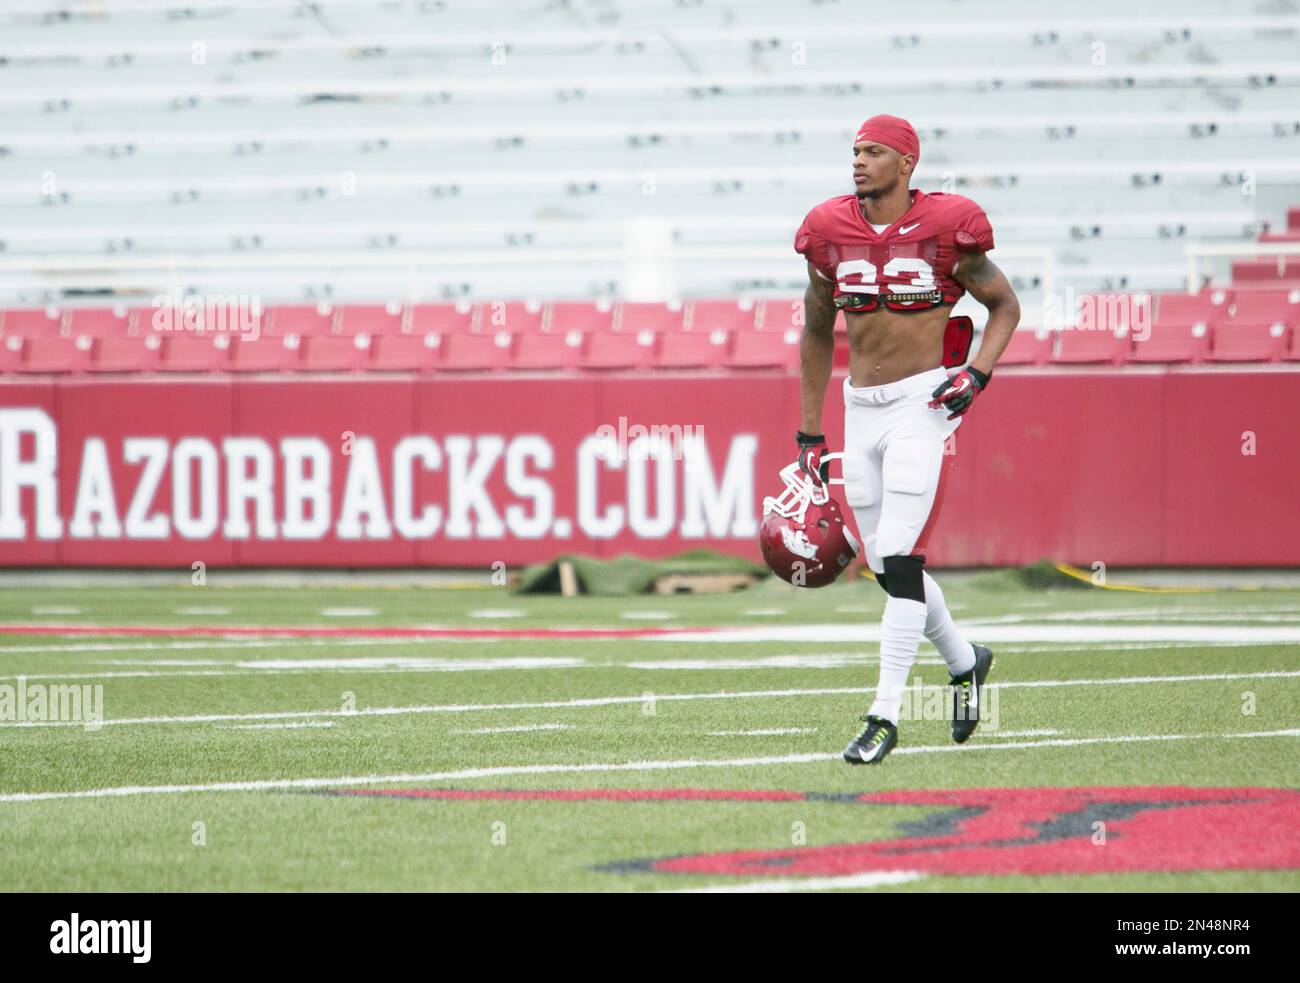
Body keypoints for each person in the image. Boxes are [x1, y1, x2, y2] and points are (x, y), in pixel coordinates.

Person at [792, 114, 1021, 764]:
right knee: (889, 570)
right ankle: (965, 659)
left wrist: (977, 374)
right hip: (859, 408)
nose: (859, 161)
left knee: (898, 554)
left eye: (874, 152)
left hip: (923, 405)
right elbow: (814, 330)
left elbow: (1004, 304)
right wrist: (809, 431)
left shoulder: (949, 228)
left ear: (907, 163)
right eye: (855, 150)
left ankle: (883, 716)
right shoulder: (829, 231)